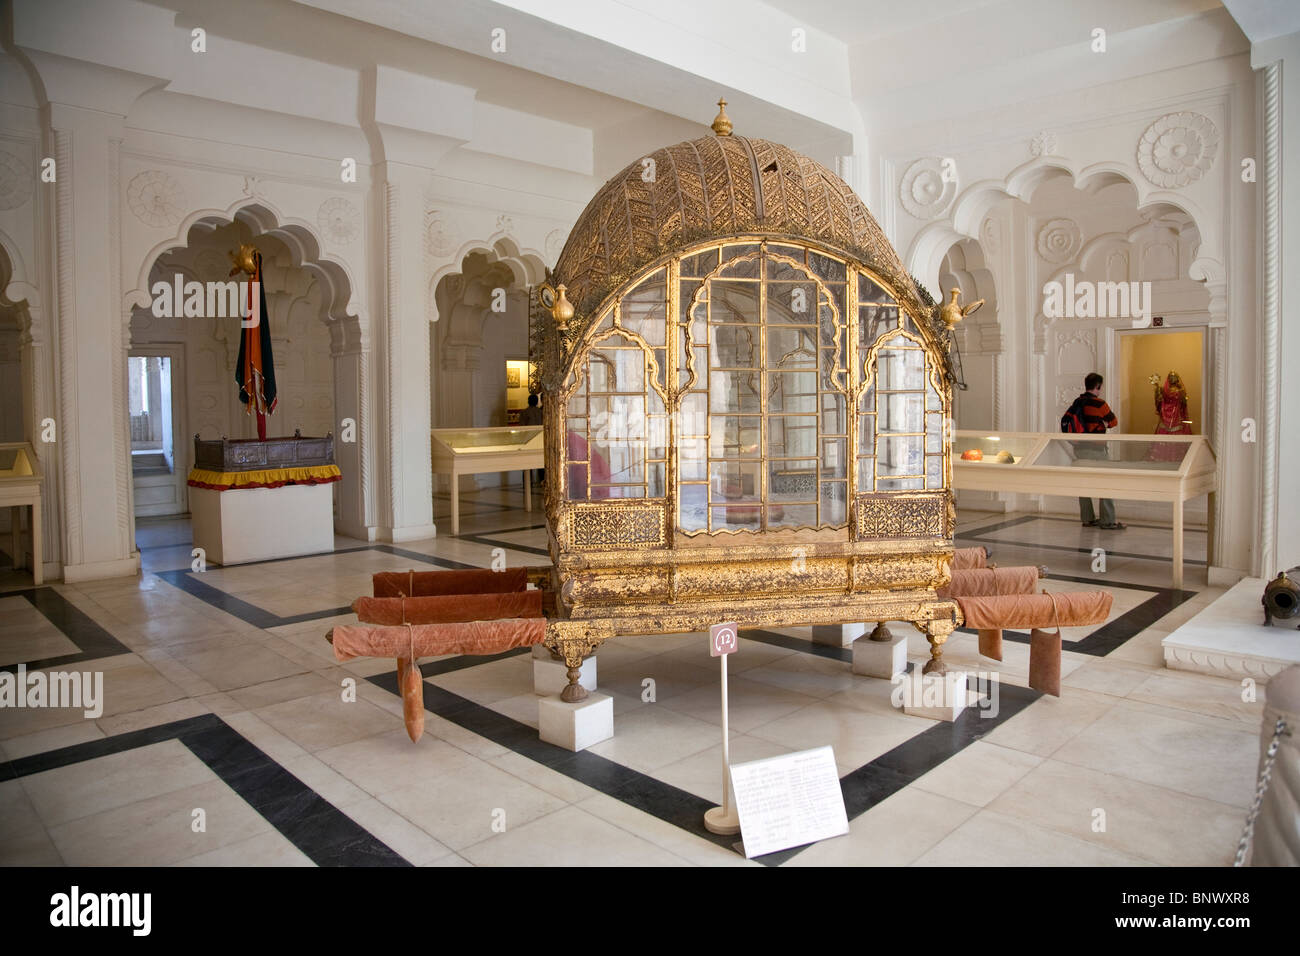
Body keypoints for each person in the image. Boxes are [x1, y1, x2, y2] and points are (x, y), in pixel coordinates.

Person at [1066, 372, 1125, 530]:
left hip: (1079, 450)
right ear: (1098, 386)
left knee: (1083, 483)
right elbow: (1113, 422)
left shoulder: (1077, 402)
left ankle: (1088, 519)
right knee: (1106, 482)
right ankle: (1108, 520)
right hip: (1097, 450)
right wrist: (1103, 424)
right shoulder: (1100, 404)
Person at [519, 392, 544, 485]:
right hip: (540, 438)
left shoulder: (525, 412)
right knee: (541, 462)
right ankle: (542, 480)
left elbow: (522, 427)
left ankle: (527, 482)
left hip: (528, 439)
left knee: (527, 463)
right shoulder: (540, 412)